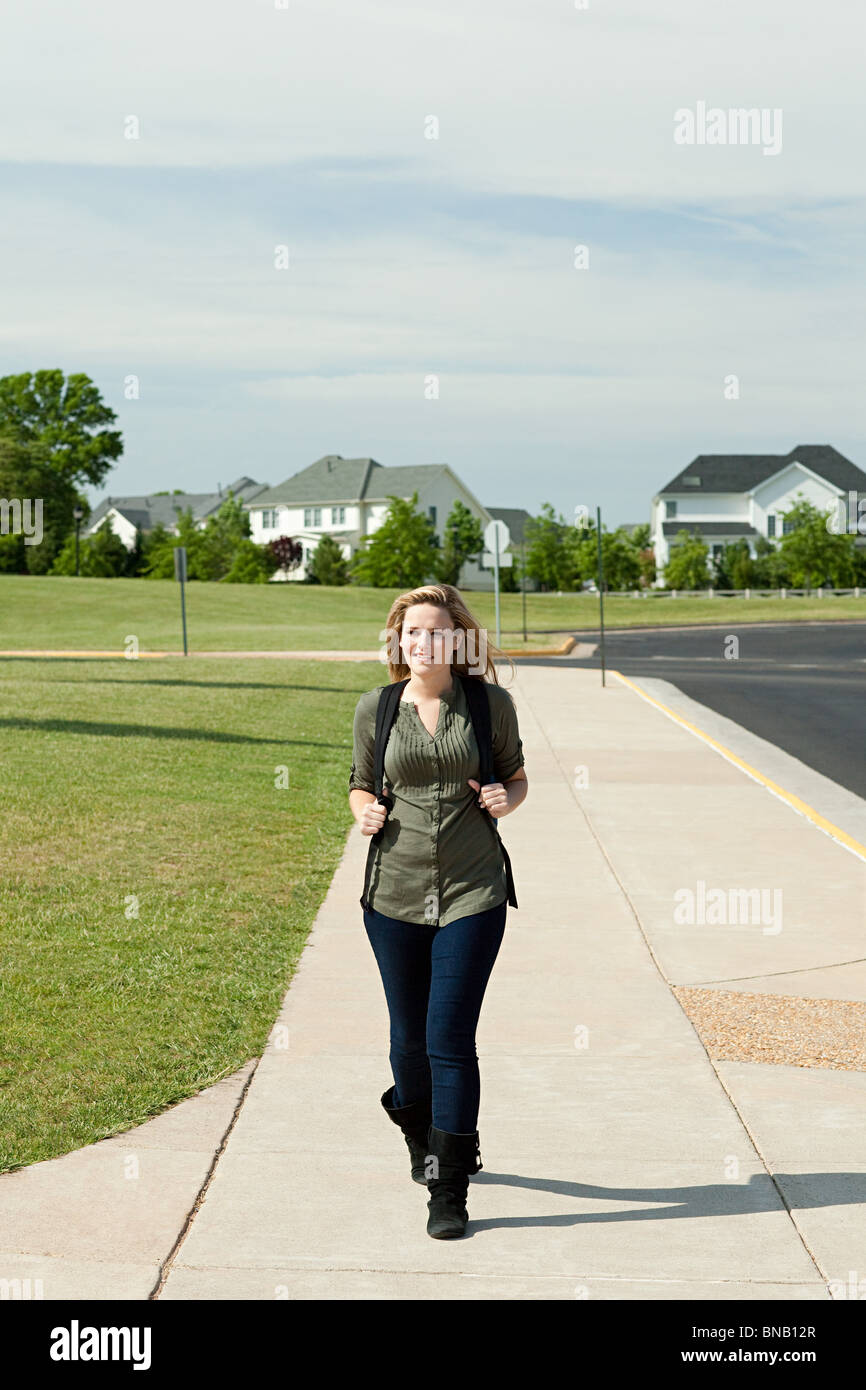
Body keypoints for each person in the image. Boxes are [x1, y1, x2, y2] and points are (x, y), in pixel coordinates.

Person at [347, 583, 528, 1238]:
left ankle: (448, 1190)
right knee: (408, 1042)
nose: (424, 642)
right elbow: (361, 781)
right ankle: (420, 1132)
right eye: (413, 632)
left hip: (472, 890)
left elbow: (514, 775)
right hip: (392, 893)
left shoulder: (489, 705)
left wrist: (508, 798)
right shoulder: (378, 707)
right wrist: (362, 811)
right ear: (399, 641)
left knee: (449, 1038)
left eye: (438, 631)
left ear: (459, 639)